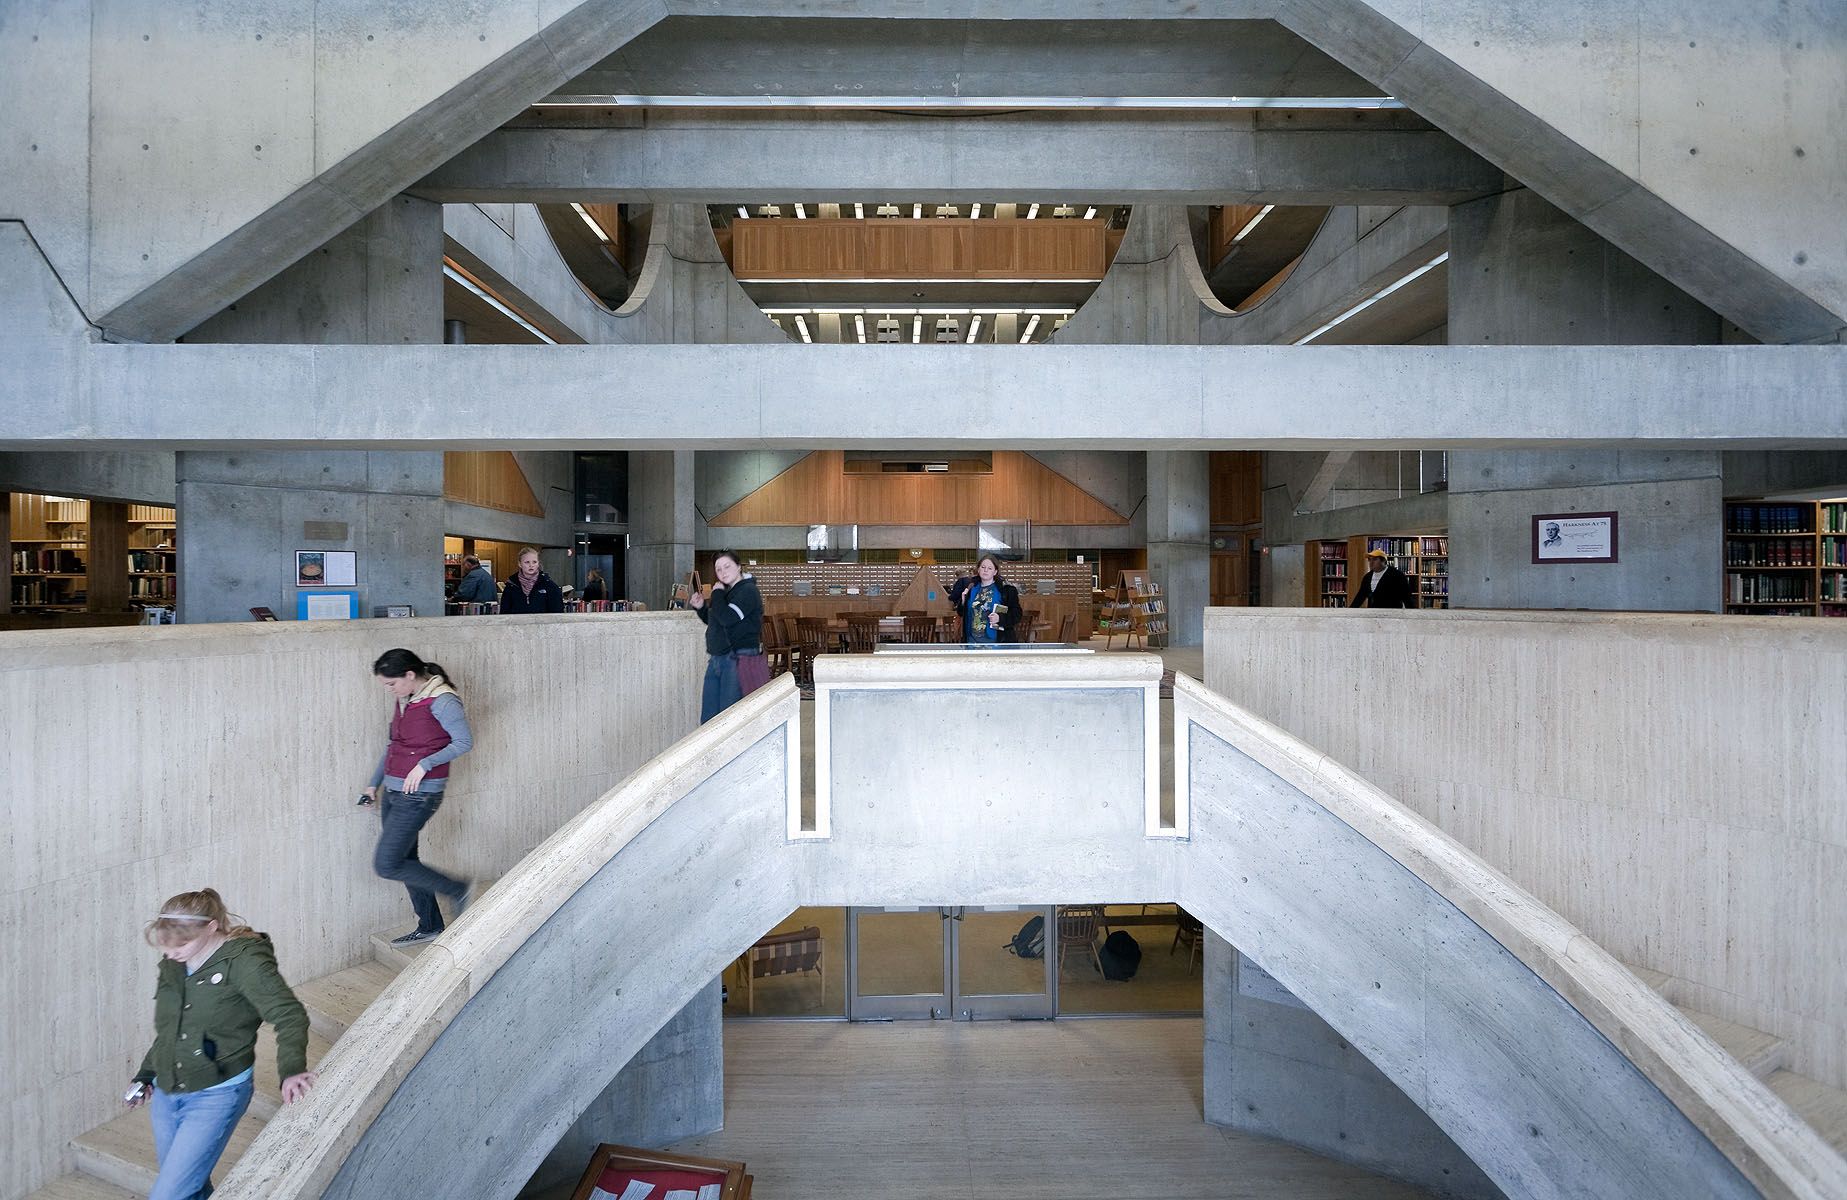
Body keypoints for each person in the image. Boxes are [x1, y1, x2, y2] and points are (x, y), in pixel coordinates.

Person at [128, 889, 315, 1200]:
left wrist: (292, 1069)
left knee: (169, 1195)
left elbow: (288, 1014)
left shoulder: (243, 962)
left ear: (212, 928)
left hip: (216, 1095)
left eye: (182, 944)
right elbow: (171, 1028)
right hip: (166, 1090)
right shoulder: (175, 963)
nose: (172, 952)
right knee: (190, 1187)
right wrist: (145, 1075)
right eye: (167, 945)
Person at [365, 649, 474, 944]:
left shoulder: (443, 700)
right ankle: (430, 925)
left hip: (419, 796)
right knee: (406, 860)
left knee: (387, 864)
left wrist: (424, 765)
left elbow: (464, 742)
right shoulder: (407, 700)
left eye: (391, 684)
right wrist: (373, 784)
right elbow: (394, 746)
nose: (390, 691)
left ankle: (457, 888)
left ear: (409, 675)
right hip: (393, 792)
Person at [690, 550, 764, 722]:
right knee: (709, 718)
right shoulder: (727, 592)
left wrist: (716, 593)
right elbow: (715, 621)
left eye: (727, 566)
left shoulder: (748, 591)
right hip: (717, 658)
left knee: (728, 719)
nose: (723, 572)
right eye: (718, 569)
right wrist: (701, 608)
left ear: (739, 567)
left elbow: (728, 619)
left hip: (737, 658)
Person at [949, 554, 1023, 643]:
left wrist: (1000, 618)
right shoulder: (971, 588)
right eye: (983, 567)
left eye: (990, 568)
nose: (986, 570)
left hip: (997, 643)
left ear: (995, 572)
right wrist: (963, 602)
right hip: (972, 642)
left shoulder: (1006, 590)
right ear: (978, 569)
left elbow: (1017, 614)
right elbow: (962, 613)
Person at [497, 546, 564, 614]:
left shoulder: (549, 586)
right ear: (520, 564)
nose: (531, 565)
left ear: (538, 564)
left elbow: (558, 613)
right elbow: (504, 613)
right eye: (527, 562)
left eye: (534, 562)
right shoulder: (510, 586)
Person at [1349, 547, 1415, 609]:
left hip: (1392, 615)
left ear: (1383, 561)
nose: (1371, 563)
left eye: (1375, 559)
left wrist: (1412, 615)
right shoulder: (1367, 577)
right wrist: (1349, 611)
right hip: (1372, 615)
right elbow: (1360, 597)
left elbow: (1407, 597)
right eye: (1369, 560)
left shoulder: (1397, 575)